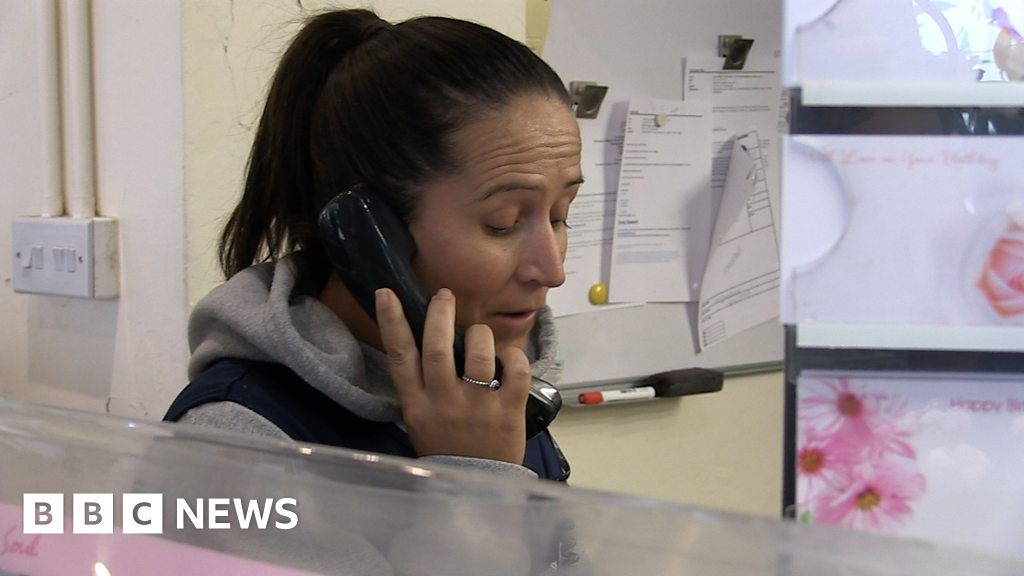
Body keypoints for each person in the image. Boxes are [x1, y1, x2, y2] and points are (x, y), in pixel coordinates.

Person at [163, 8, 581, 483]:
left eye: (560, 216)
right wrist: (472, 478)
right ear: (370, 232)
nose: (551, 271)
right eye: (503, 224)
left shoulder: (492, 389)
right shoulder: (235, 443)